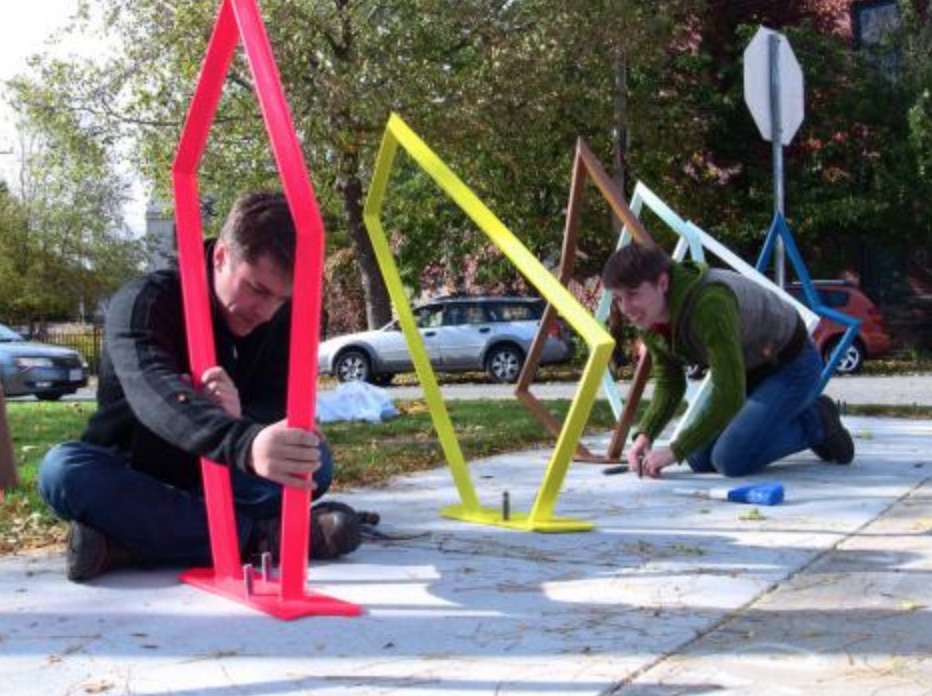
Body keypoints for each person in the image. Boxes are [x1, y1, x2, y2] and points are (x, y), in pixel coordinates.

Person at [39, 191, 367, 583]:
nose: (266, 311)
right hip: (138, 471)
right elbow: (153, 396)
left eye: (282, 298)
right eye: (257, 289)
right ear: (221, 256)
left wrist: (241, 419)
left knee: (314, 456)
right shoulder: (145, 301)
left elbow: (276, 410)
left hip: (225, 476)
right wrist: (242, 440)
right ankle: (267, 537)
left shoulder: (281, 318)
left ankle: (125, 544)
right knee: (62, 472)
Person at [601, 242, 854, 479]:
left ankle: (817, 421)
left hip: (792, 365)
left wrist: (674, 451)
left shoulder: (709, 304)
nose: (626, 308)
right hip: (749, 370)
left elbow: (729, 393)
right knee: (698, 459)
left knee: (731, 459)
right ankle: (777, 417)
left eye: (633, 294)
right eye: (618, 298)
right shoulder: (648, 318)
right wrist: (645, 435)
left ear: (663, 283)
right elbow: (670, 384)